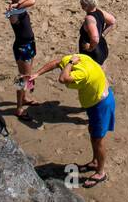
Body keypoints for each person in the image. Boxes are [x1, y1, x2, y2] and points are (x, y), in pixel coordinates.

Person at [27, 53, 114, 188]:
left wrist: (69, 65)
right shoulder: (79, 58)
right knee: (93, 133)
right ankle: (95, 162)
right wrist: (37, 74)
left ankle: (101, 172)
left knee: (99, 140)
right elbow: (56, 62)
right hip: (94, 102)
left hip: (101, 105)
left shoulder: (81, 72)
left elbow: (63, 78)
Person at [6, 0, 37, 119]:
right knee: (23, 77)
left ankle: (24, 98)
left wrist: (17, 3)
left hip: (29, 43)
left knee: (27, 75)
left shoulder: (18, 5)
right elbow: (33, 0)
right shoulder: (14, 11)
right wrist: (16, 6)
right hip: (22, 46)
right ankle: (19, 108)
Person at [77, 0, 116, 66]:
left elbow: (95, 38)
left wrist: (90, 48)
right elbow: (112, 21)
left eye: (81, 3)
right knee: (101, 71)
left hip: (93, 53)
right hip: (102, 47)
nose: (80, 4)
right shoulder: (100, 12)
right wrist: (103, 35)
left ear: (85, 5)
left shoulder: (89, 18)